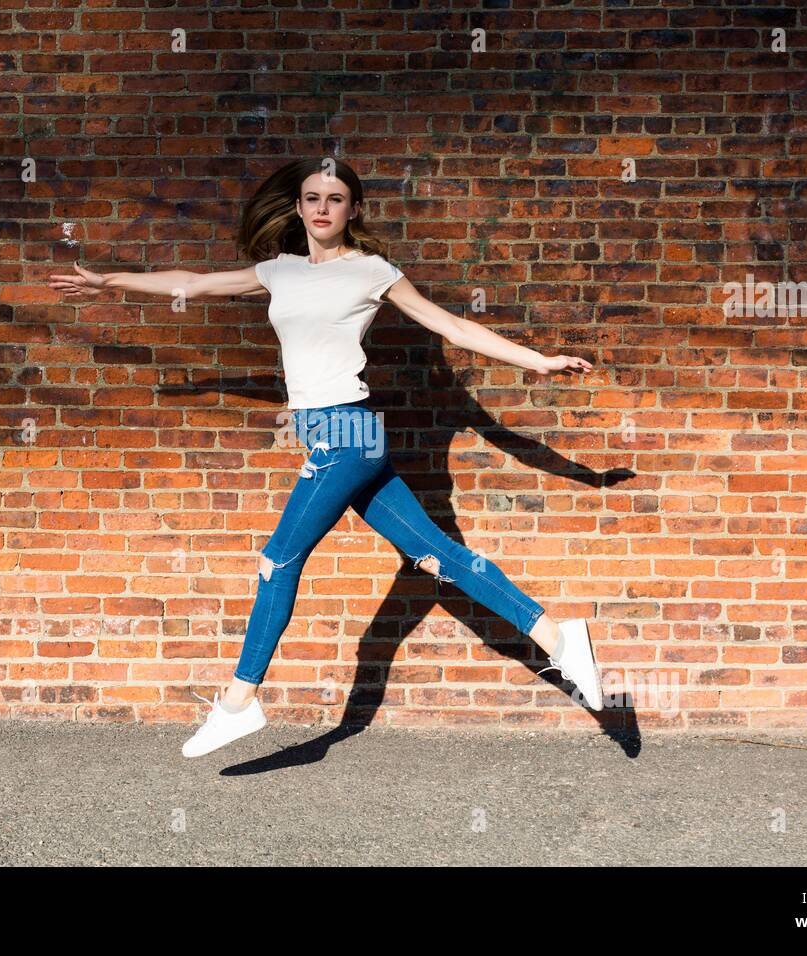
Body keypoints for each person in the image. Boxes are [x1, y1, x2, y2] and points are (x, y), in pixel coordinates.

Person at [49, 158, 604, 759]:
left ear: (353, 210)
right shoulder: (280, 272)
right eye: (311, 197)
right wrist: (109, 283)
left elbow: (453, 327)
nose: (321, 208)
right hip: (331, 436)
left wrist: (539, 362)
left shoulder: (371, 271)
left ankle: (238, 701)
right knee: (436, 556)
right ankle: (557, 635)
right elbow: (197, 282)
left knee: (277, 559)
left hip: (348, 431)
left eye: (335, 199)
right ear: (298, 208)